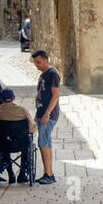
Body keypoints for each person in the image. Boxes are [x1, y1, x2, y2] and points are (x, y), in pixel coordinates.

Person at [0, 88, 36, 184]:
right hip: (21, 143)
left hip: (4, 144)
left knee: (3, 140)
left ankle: (11, 174)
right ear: (14, 98)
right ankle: (22, 174)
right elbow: (32, 126)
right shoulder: (22, 110)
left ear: (1, 98)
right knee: (27, 141)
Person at [31, 50, 60, 184]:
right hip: (41, 114)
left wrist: (47, 113)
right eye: (36, 62)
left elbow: (55, 95)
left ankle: (49, 174)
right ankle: (46, 173)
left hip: (48, 115)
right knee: (42, 142)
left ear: (45, 60)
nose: (37, 65)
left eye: (39, 62)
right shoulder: (43, 75)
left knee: (44, 142)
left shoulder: (52, 74)